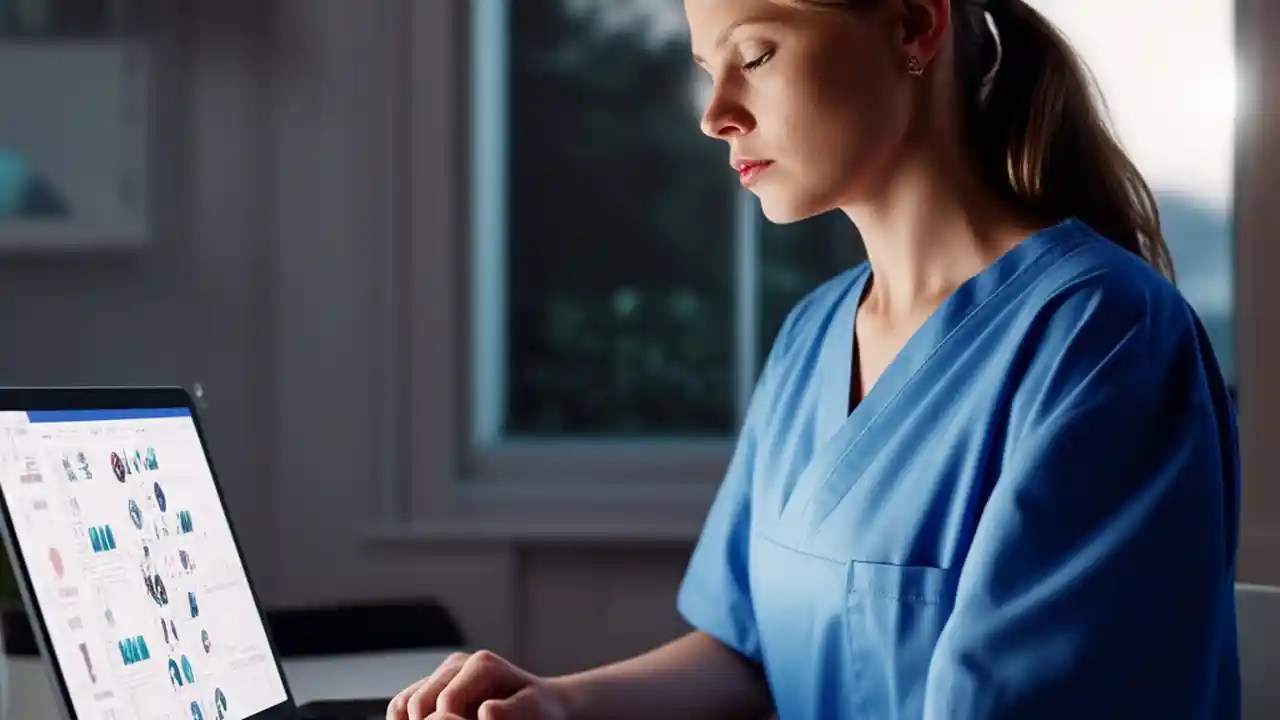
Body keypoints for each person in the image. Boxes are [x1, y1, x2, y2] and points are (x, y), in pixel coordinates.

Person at [386, 0, 1240, 718]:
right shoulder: (812, 334)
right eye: (704, 65)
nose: (713, 110)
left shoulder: (1101, 337)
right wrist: (561, 703)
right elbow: (749, 653)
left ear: (912, 26)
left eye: (754, 54)